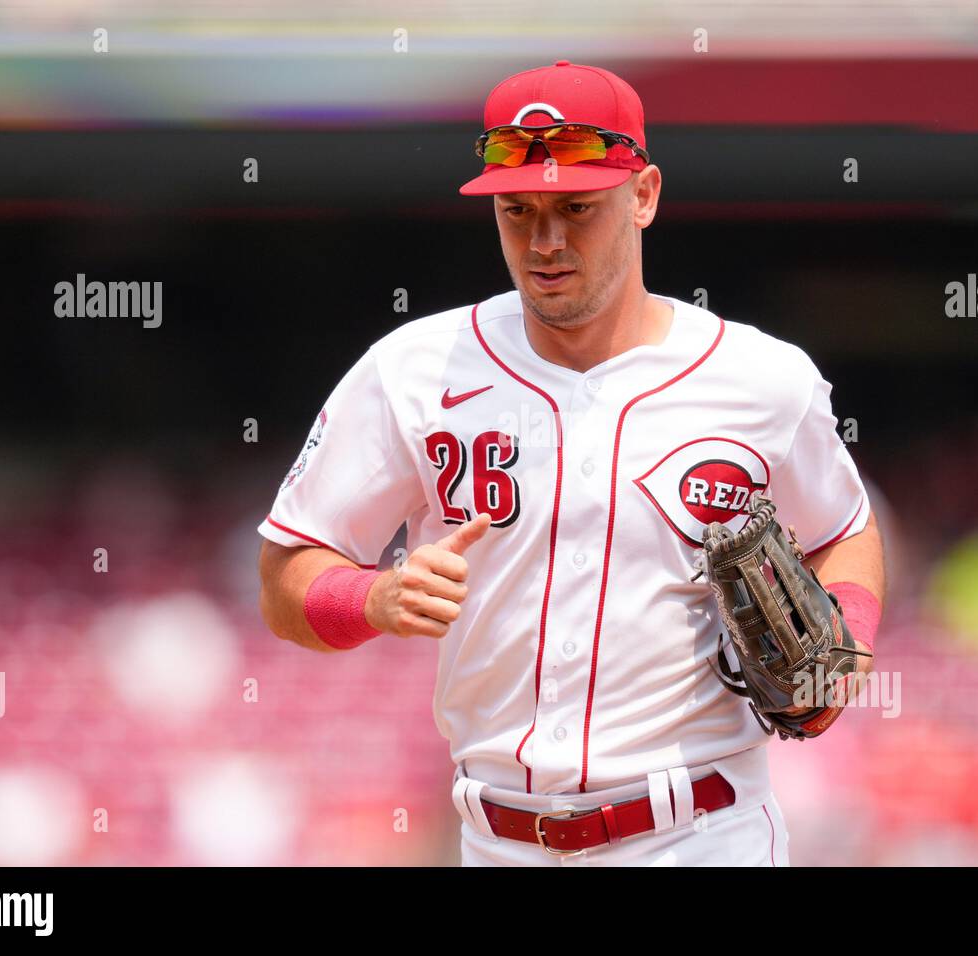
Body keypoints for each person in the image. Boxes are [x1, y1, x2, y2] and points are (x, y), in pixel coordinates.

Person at [257, 60, 885, 866]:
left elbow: (844, 529)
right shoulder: (412, 368)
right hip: (496, 841)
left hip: (701, 833)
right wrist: (372, 596)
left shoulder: (761, 380)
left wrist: (849, 641)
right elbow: (282, 583)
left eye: (576, 208)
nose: (545, 240)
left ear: (644, 196)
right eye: (517, 210)